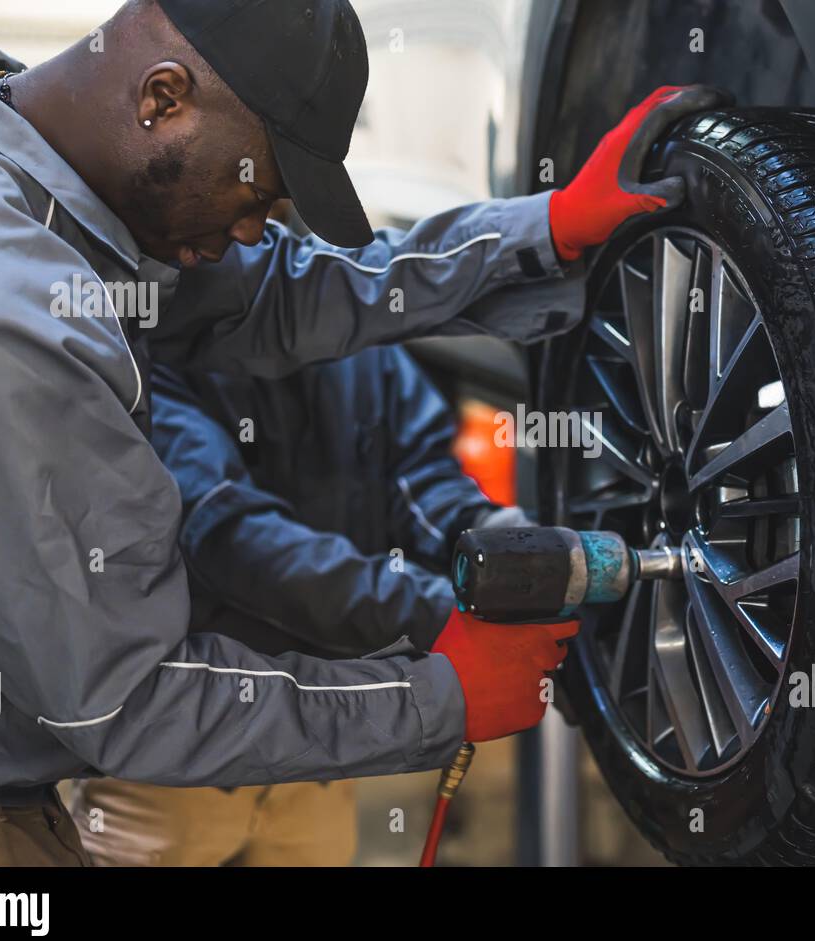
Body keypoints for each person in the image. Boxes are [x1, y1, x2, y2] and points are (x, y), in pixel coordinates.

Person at [0, 0, 723, 865]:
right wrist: (440, 694)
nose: (255, 228)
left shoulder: (21, 188)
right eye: (254, 191)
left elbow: (279, 290)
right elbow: (129, 697)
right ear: (163, 99)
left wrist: (540, 231)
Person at [70, 351, 527, 865]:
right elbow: (235, 539)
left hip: (319, 750)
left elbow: (427, 492)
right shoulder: (155, 354)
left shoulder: (369, 354)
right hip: (175, 761)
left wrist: (508, 551)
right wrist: (445, 613)